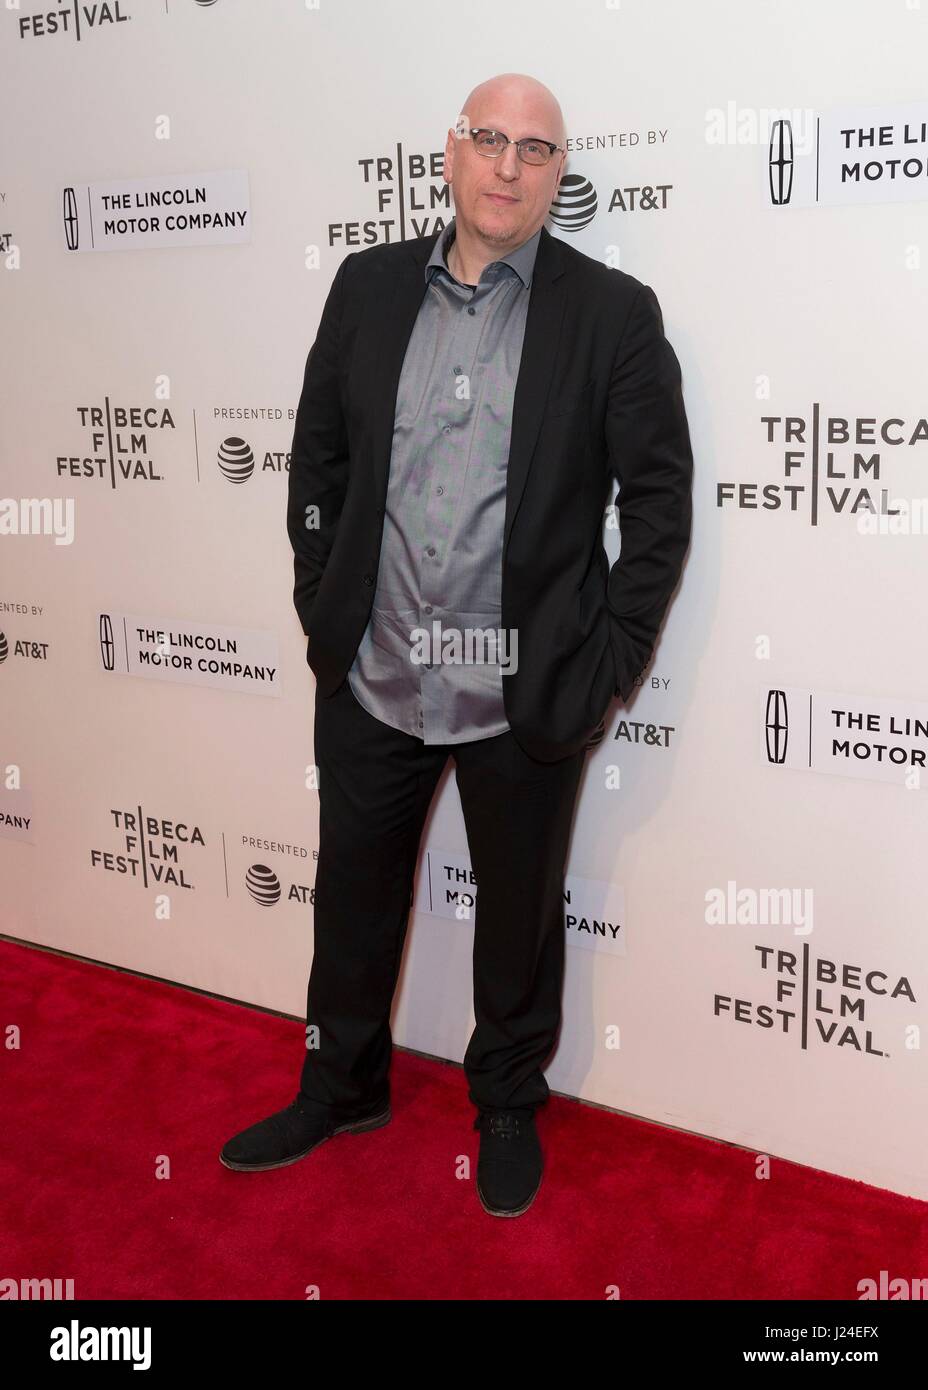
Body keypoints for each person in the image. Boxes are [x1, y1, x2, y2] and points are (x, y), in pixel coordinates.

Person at [220, 72, 693, 1217]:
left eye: (535, 149)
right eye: (490, 139)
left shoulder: (611, 314)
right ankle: (342, 1086)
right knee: (351, 900)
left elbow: (659, 509)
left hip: (520, 690)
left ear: (556, 173)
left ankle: (507, 1100)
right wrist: (319, 591)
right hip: (374, 668)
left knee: (519, 914)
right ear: (450, 150)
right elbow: (317, 465)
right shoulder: (369, 286)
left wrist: (604, 667)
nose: (507, 166)